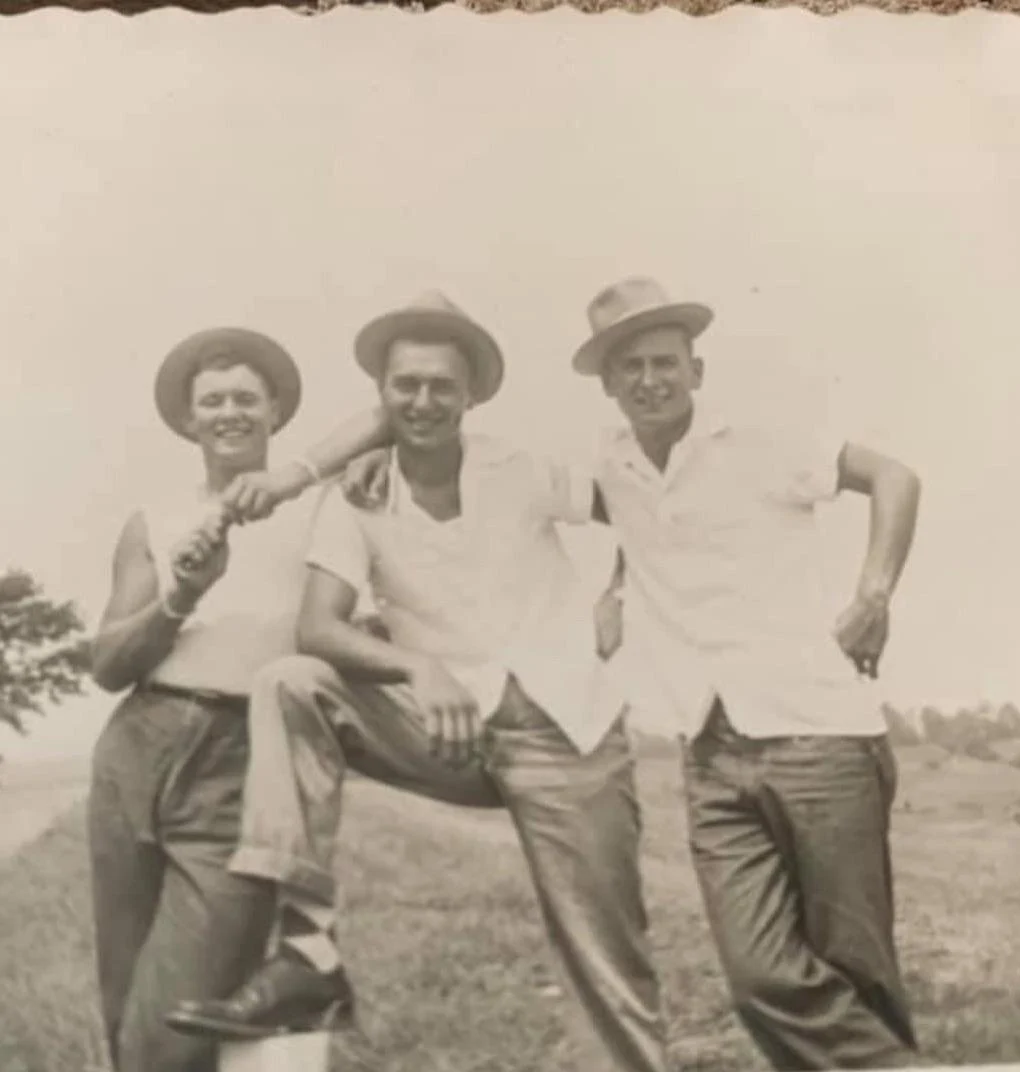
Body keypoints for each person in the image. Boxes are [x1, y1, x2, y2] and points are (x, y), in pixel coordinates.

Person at [165, 291, 669, 1072]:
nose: (423, 401)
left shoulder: (524, 470)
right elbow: (319, 627)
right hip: (446, 731)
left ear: (470, 395)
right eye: (406, 385)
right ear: (382, 396)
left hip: (567, 731)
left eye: (442, 386)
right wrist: (416, 665)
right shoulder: (357, 495)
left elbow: (651, 504)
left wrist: (619, 599)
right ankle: (307, 959)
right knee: (291, 681)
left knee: (608, 964)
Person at [572, 277, 923, 1070]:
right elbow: (644, 525)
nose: (650, 381)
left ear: (696, 370)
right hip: (710, 750)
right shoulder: (617, 465)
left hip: (822, 739)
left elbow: (895, 477)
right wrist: (614, 585)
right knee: (758, 976)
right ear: (608, 383)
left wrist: (874, 594)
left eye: (665, 363)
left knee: (856, 972)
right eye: (630, 368)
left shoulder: (762, 441)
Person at [87, 327, 388, 1072]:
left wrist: (295, 475)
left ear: (276, 411)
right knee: (124, 1012)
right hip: (136, 749)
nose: (229, 412)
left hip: (241, 758)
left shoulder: (323, 504)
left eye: (246, 398)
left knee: (174, 1031)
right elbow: (108, 665)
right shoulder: (153, 521)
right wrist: (181, 597)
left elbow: (386, 412)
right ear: (188, 420)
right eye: (212, 400)